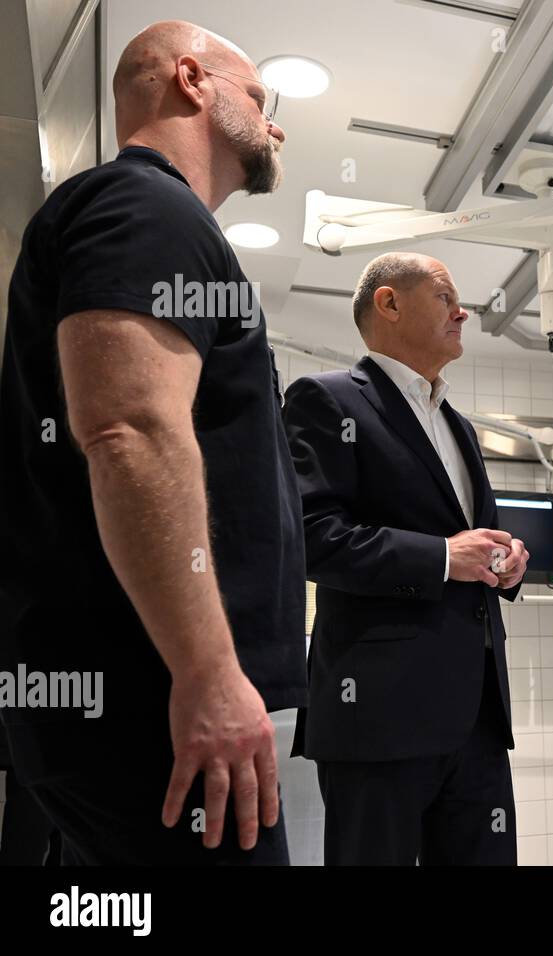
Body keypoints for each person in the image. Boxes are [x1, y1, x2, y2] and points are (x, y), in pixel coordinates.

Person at [0, 20, 303, 863]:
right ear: (192, 81)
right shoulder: (146, 205)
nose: (275, 124)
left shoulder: (152, 217)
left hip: (129, 700)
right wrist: (207, 674)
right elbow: (128, 429)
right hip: (152, 706)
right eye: (258, 98)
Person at [282, 253, 527, 865]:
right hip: (378, 716)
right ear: (389, 304)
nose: (463, 310)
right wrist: (443, 557)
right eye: (446, 295)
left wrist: (504, 558)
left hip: (477, 720)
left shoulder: (460, 427)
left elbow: (473, 543)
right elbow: (311, 535)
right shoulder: (328, 400)